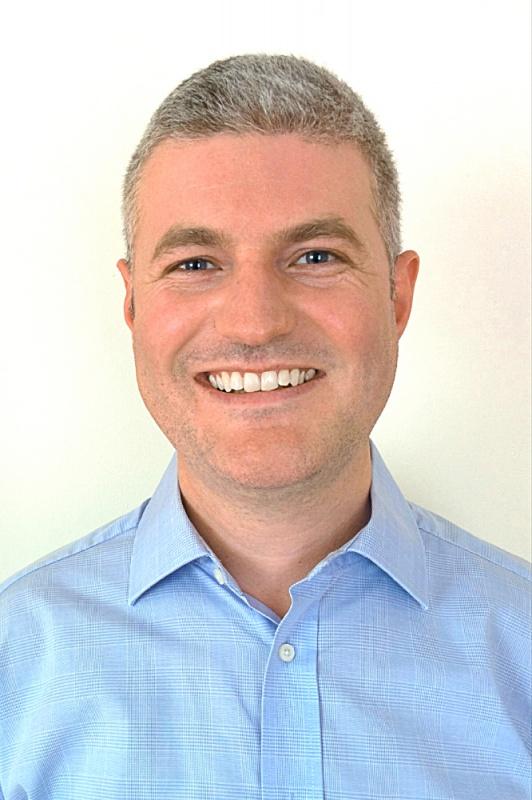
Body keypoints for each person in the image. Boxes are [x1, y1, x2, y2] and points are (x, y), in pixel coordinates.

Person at [0, 54, 530, 800]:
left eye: (315, 256)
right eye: (195, 264)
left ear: (397, 296)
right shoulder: (18, 661)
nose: (254, 323)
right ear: (132, 306)